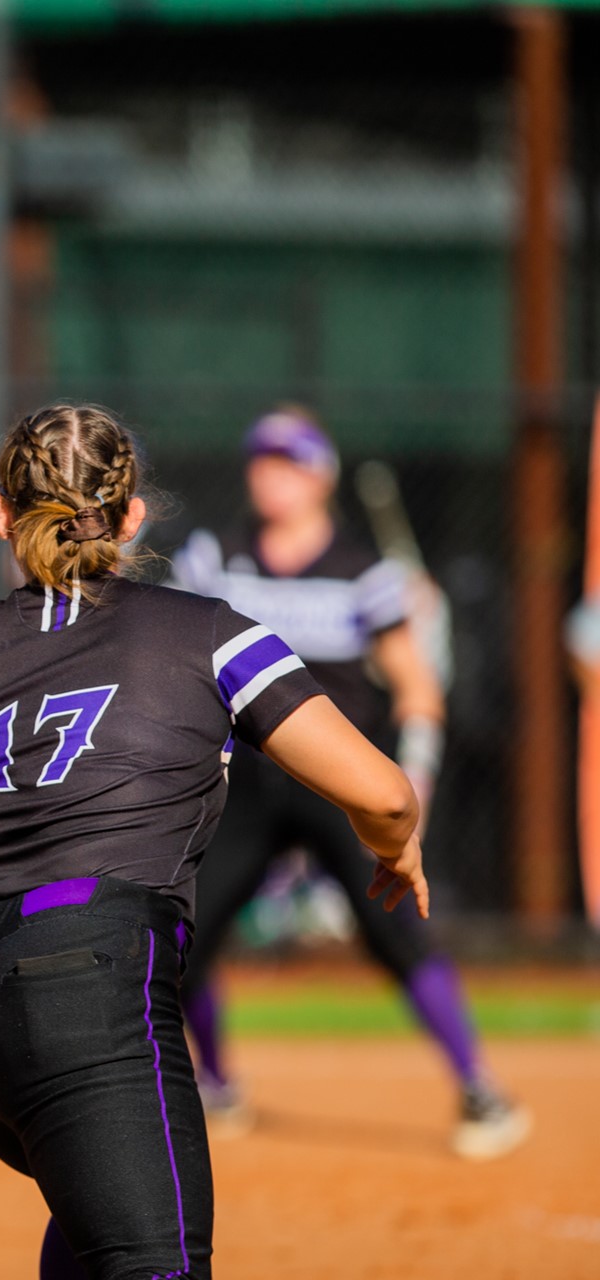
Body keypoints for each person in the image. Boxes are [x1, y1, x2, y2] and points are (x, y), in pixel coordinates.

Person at [0, 403, 428, 1280]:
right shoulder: (209, 633)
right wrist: (393, 844)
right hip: (81, 979)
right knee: (157, 1262)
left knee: (94, 1212)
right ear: (134, 515)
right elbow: (387, 796)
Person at [169, 406, 529, 1159]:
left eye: (288, 462)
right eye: (261, 460)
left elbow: (416, 687)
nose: (269, 475)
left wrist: (413, 785)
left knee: (395, 929)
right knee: (185, 928)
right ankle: (216, 1084)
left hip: (335, 778)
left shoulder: (364, 573)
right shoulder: (217, 558)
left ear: (321, 477)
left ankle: (478, 1086)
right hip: (247, 781)